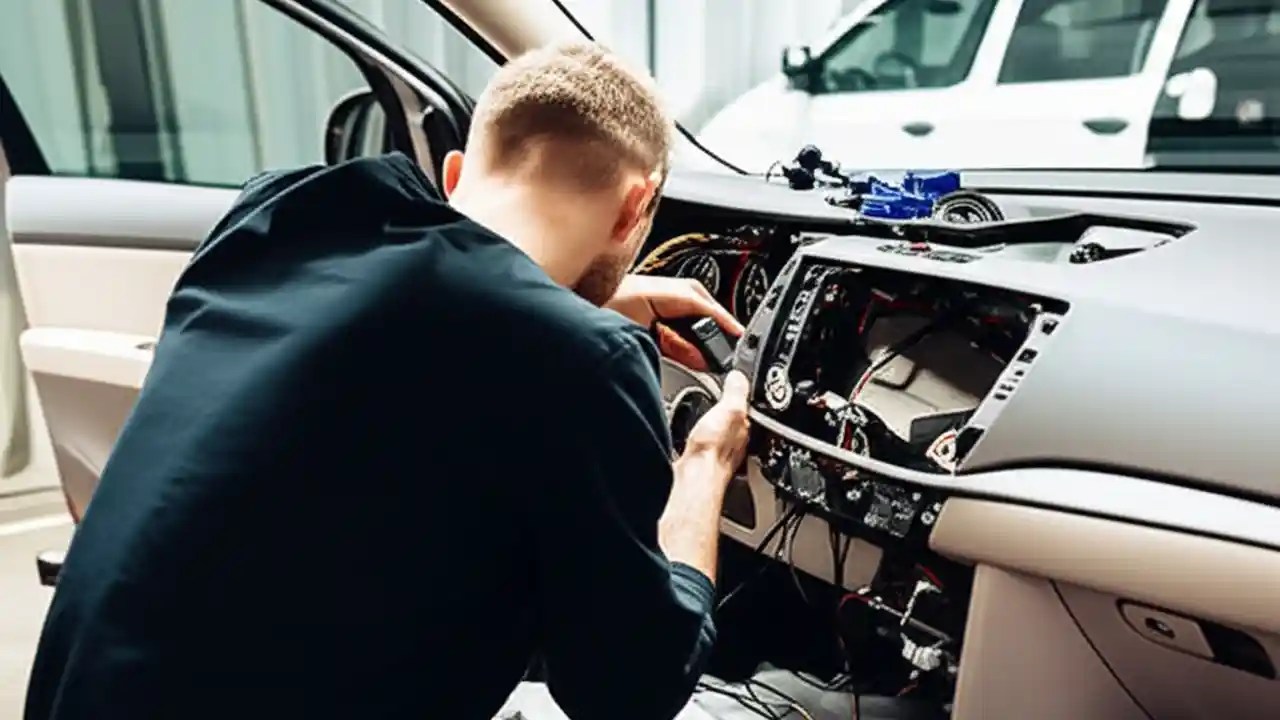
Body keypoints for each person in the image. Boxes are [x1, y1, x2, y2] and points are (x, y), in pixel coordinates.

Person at [25, 41, 751, 720]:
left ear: (457, 174)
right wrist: (704, 466)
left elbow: (439, 320)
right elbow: (633, 686)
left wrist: (581, 307)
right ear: (635, 207)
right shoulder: (585, 359)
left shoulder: (274, 216)